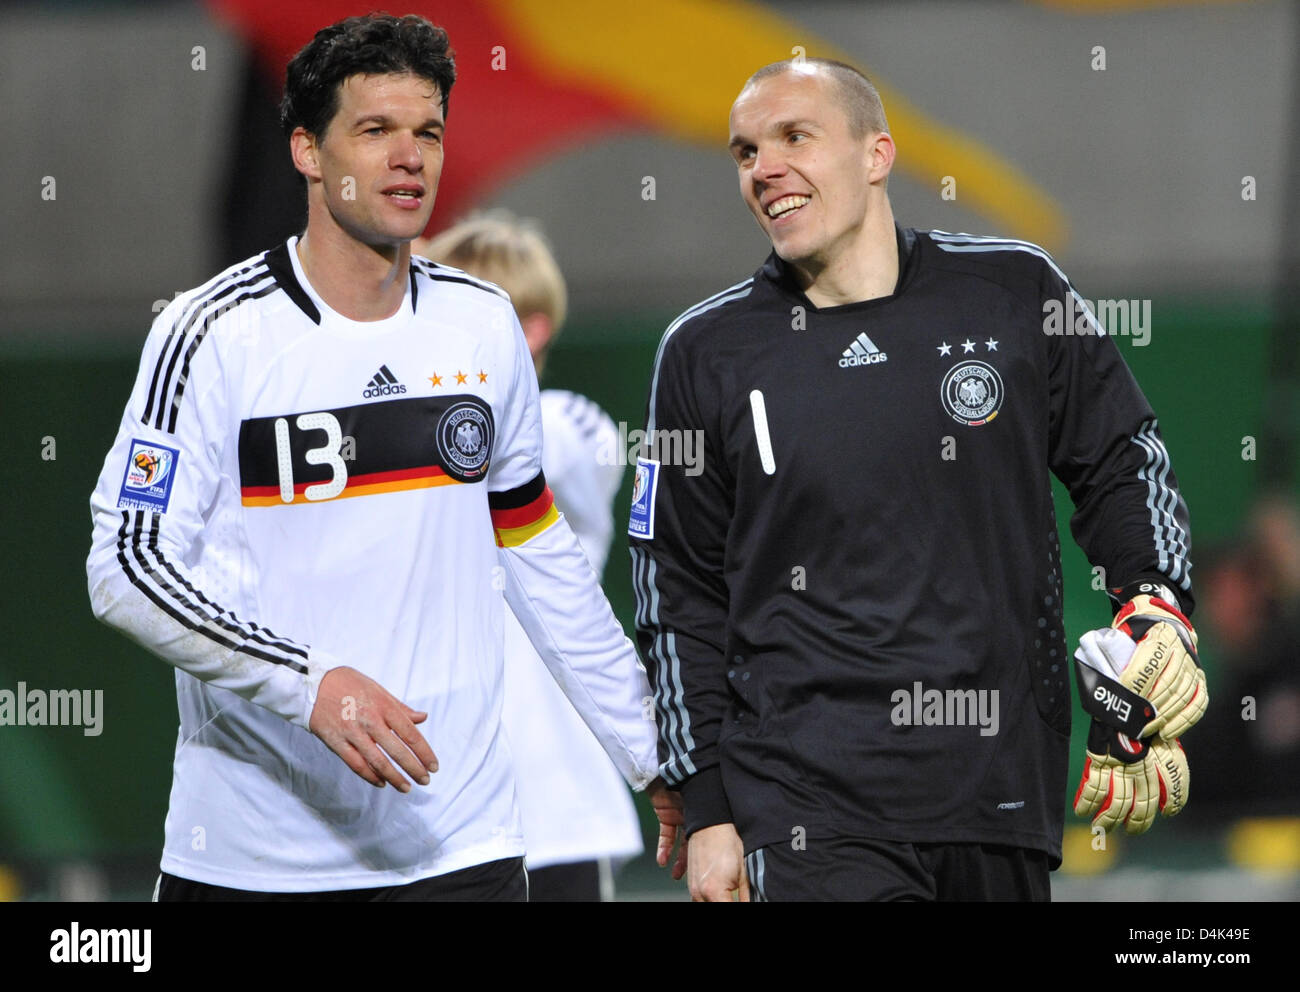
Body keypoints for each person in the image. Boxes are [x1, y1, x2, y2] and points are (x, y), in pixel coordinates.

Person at [86, 12, 681, 901]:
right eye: (375, 130)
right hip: (253, 862)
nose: (411, 157)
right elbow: (126, 564)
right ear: (307, 153)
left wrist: (651, 755)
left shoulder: (481, 327)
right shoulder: (209, 334)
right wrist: (310, 683)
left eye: (428, 132)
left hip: (463, 854)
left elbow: (538, 555)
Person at [629, 57, 1206, 901]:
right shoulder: (703, 351)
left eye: (796, 137)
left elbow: (1122, 457)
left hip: (999, 795)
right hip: (807, 809)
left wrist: (1153, 601)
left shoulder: (1013, 290)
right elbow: (675, 594)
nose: (764, 168)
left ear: (877, 153)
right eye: (745, 151)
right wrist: (708, 803)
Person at [417, 212, 644, 900]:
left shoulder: (570, 422)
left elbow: (495, 443)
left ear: (532, 329)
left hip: (554, 815)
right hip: (440, 809)